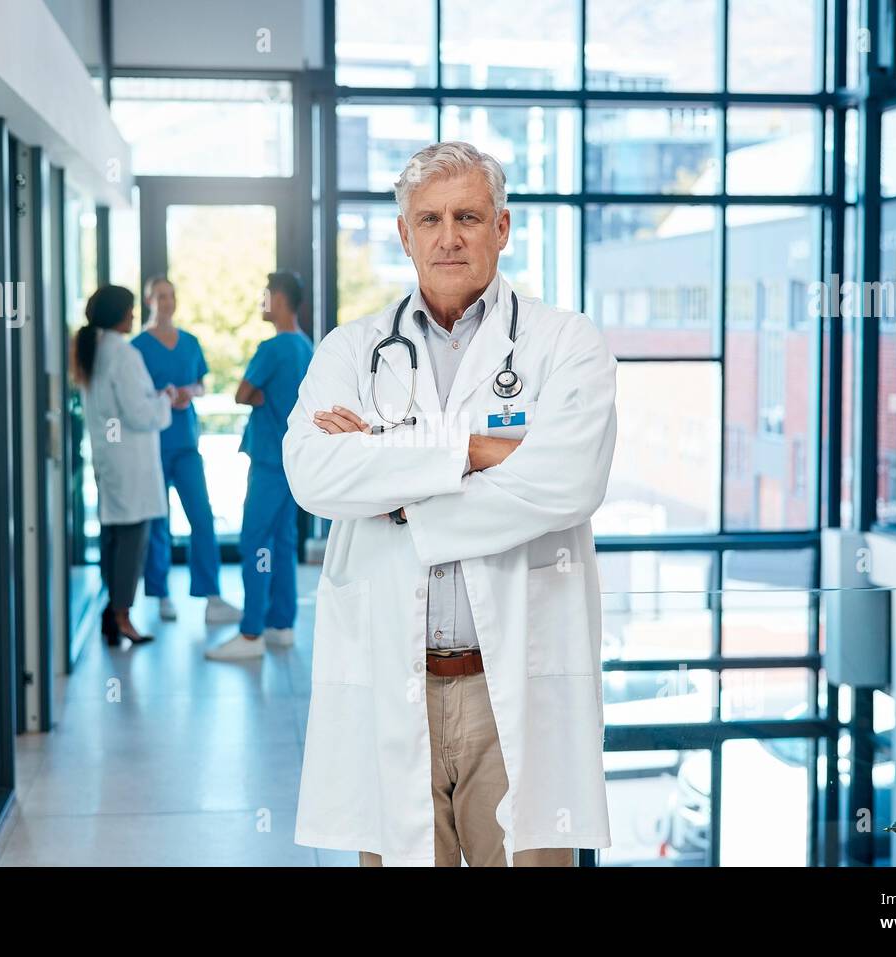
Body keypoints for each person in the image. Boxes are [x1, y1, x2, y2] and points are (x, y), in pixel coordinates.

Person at [282, 142, 618, 866]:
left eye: (468, 215)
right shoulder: (352, 348)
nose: (449, 235)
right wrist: (471, 450)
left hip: (514, 688)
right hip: (391, 681)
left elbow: (570, 479)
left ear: (502, 226)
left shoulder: (566, 343)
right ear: (404, 234)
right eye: (429, 219)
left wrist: (392, 474)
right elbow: (313, 474)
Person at [206, 271, 314, 660]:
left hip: (269, 461)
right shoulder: (307, 347)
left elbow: (241, 394)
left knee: (254, 541)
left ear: (279, 299)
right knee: (283, 541)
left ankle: (251, 633)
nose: (262, 302)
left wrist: (260, 397)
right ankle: (280, 625)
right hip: (293, 461)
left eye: (266, 295)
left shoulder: (271, 348)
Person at [132, 275, 242, 626]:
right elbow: (134, 397)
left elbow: (200, 384)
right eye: (159, 296)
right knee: (158, 520)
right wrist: (162, 396)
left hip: (186, 444)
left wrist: (188, 393)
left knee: (202, 516)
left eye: (170, 296)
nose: (166, 302)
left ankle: (211, 595)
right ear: (149, 301)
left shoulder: (191, 342)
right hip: (153, 444)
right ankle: (161, 593)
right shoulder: (137, 347)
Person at [73, 284, 173, 646]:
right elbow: (139, 413)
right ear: (118, 314)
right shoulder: (123, 354)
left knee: (115, 538)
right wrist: (166, 400)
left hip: (109, 458)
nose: (134, 316)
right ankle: (122, 616)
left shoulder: (93, 349)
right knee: (131, 539)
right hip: (130, 460)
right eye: (130, 310)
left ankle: (114, 611)